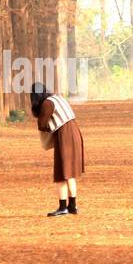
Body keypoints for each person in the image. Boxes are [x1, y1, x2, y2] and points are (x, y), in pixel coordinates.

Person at [31, 81, 85, 216]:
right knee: (70, 172)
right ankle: (72, 206)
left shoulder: (47, 104)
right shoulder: (58, 97)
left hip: (64, 135)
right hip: (74, 132)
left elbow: (42, 124)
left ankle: (62, 207)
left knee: (61, 172)